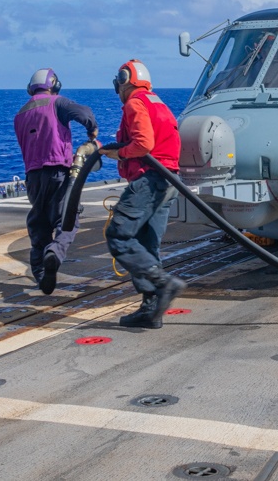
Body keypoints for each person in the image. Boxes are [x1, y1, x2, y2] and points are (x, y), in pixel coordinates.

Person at [99, 59, 186, 329]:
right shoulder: (156, 101)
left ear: (126, 80)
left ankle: (163, 284)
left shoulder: (135, 102)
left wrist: (119, 152)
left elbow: (143, 144)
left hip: (150, 179)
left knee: (119, 235)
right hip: (169, 180)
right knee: (148, 244)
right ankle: (151, 311)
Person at [14, 68, 99, 295]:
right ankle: (55, 252)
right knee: (68, 219)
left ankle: (41, 273)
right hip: (59, 173)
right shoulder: (57, 103)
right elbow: (85, 114)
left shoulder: (20, 114)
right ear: (54, 85)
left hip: (33, 178)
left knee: (40, 222)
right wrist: (92, 131)